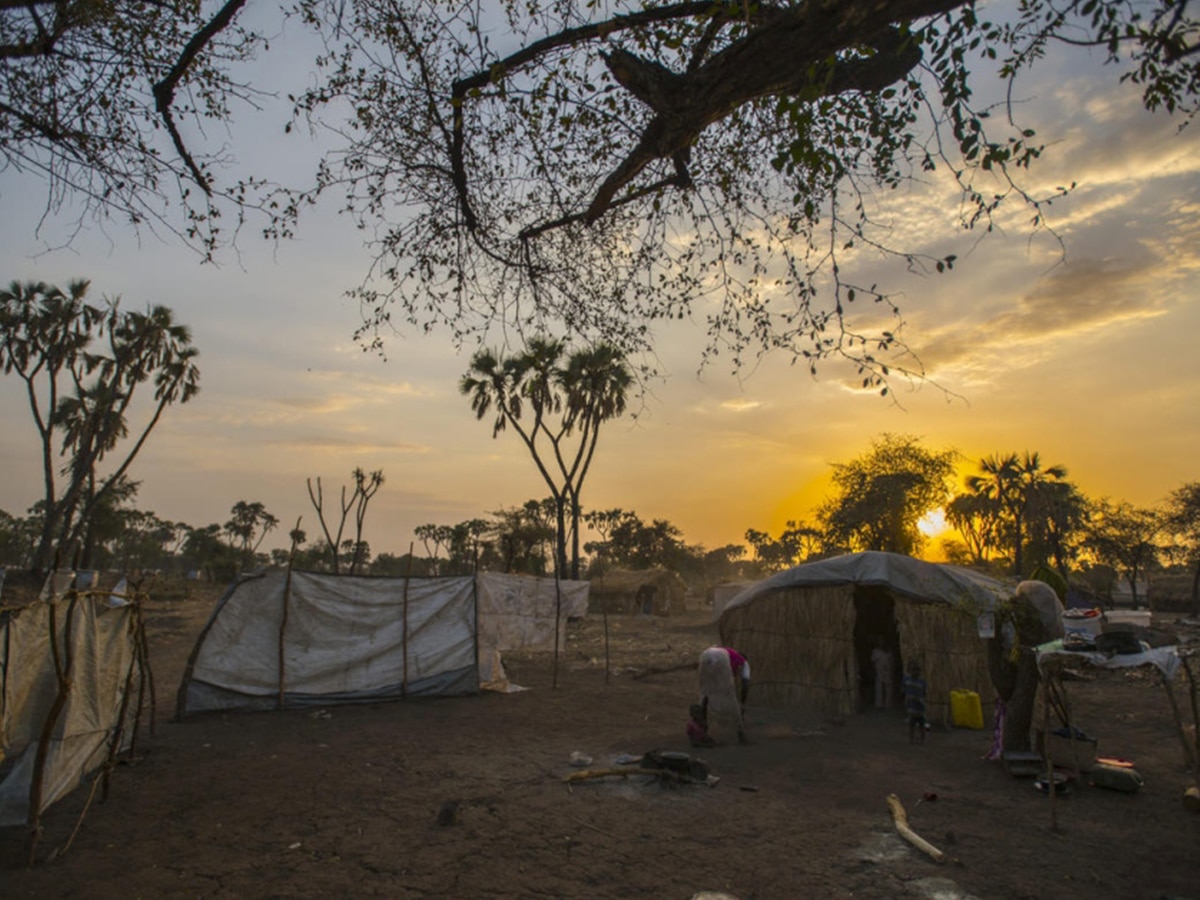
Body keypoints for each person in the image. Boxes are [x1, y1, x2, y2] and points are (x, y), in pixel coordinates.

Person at [697, 646, 751, 744]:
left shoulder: (729, 652)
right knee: (731, 696)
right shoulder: (744, 662)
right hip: (720, 657)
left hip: (705, 654)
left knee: (704, 693)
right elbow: (745, 683)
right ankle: (741, 734)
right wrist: (743, 703)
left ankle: (701, 730)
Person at [903, 661, 927, 744]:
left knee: (921, 724)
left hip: (920, 706)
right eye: (913, 670)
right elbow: (904, 691)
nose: (915, 673)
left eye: (917, 671)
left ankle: (922, 739)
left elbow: (924, 693)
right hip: (912, 706)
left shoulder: (922, 682)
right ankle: (911, 739)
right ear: (910, 671)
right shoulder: (907, 680)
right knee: (912, 724)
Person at [870, 640, 895, 710]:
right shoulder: (875, 651)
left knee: (888, 687)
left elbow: (892, 661)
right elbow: (872, 661)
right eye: (879, 640)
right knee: (879, 687)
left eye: (882, 640)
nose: (881, 642)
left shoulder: (889, 651)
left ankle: (888, 704)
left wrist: (892, 670)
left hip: (888, 670)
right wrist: (874, 669)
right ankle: (879, 705)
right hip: (879, 671)